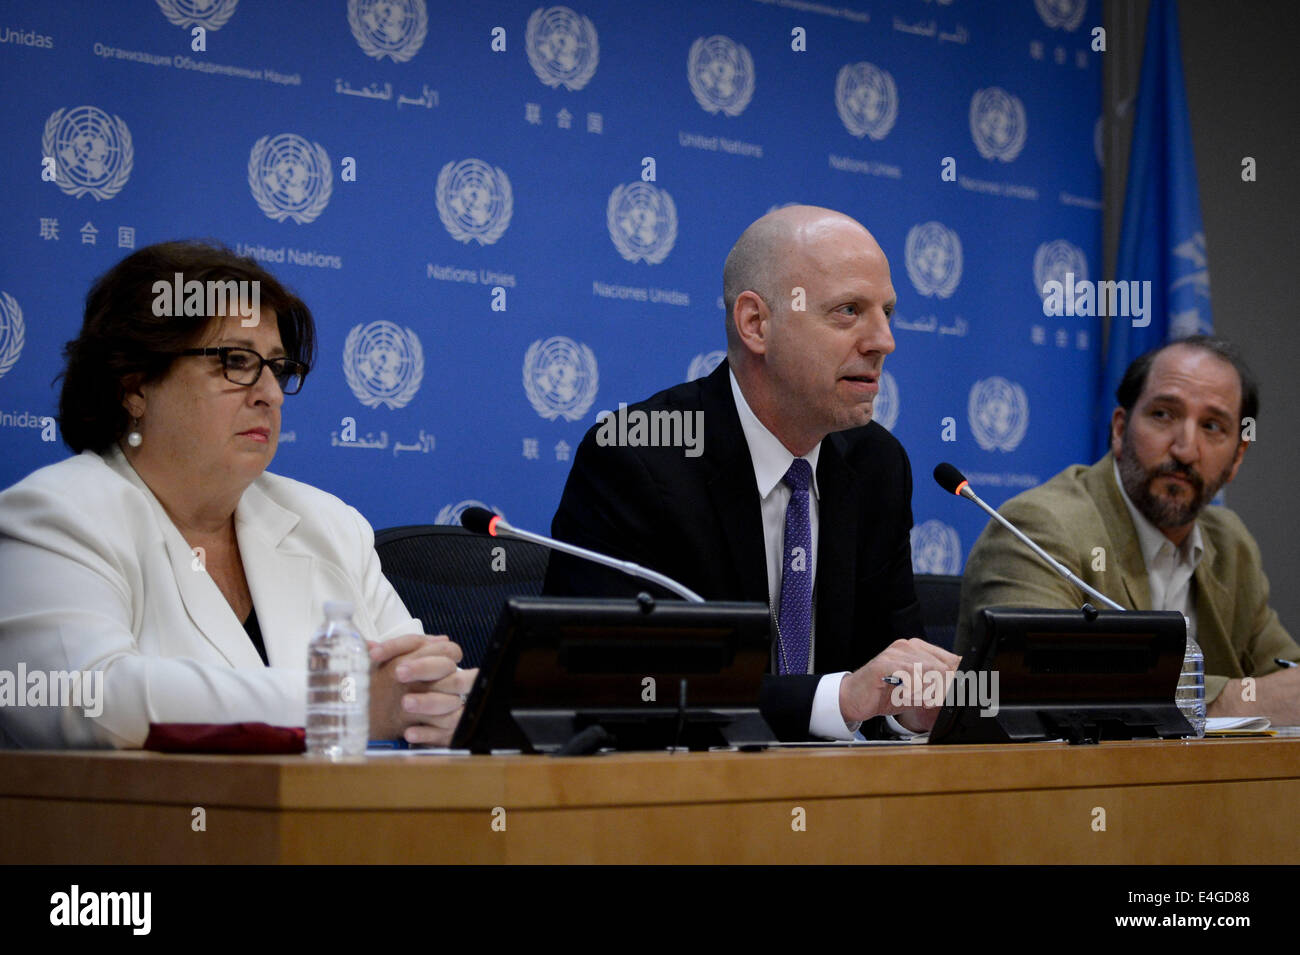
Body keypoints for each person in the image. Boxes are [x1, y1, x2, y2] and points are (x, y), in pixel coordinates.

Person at [0, 241, 475, 748]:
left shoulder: (328, 524)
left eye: (276, 367)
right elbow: (92, 702)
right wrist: (343, 700)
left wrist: (447, 703)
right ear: (135, 387)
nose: (269, 392)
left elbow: (415, 684)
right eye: (235, 361)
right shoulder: (54, 517)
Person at [543, 205, 958, 740]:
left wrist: (910, 707)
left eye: (887, 312)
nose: (883, 340)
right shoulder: (638, 458)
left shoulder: (876, 464)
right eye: (849, 311)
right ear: (756, 324)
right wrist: (835, 699)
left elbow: (891, 659)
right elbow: (617, 685)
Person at [957, 336, 1300, 722]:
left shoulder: (1230, 545)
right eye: (1163, 415)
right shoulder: (1040, 528)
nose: (1186, 450)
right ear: (1119, 430)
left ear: (1237, 457)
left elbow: (1284, 672)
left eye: (1212, 426)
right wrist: (1236, 700)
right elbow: (1035, 685)